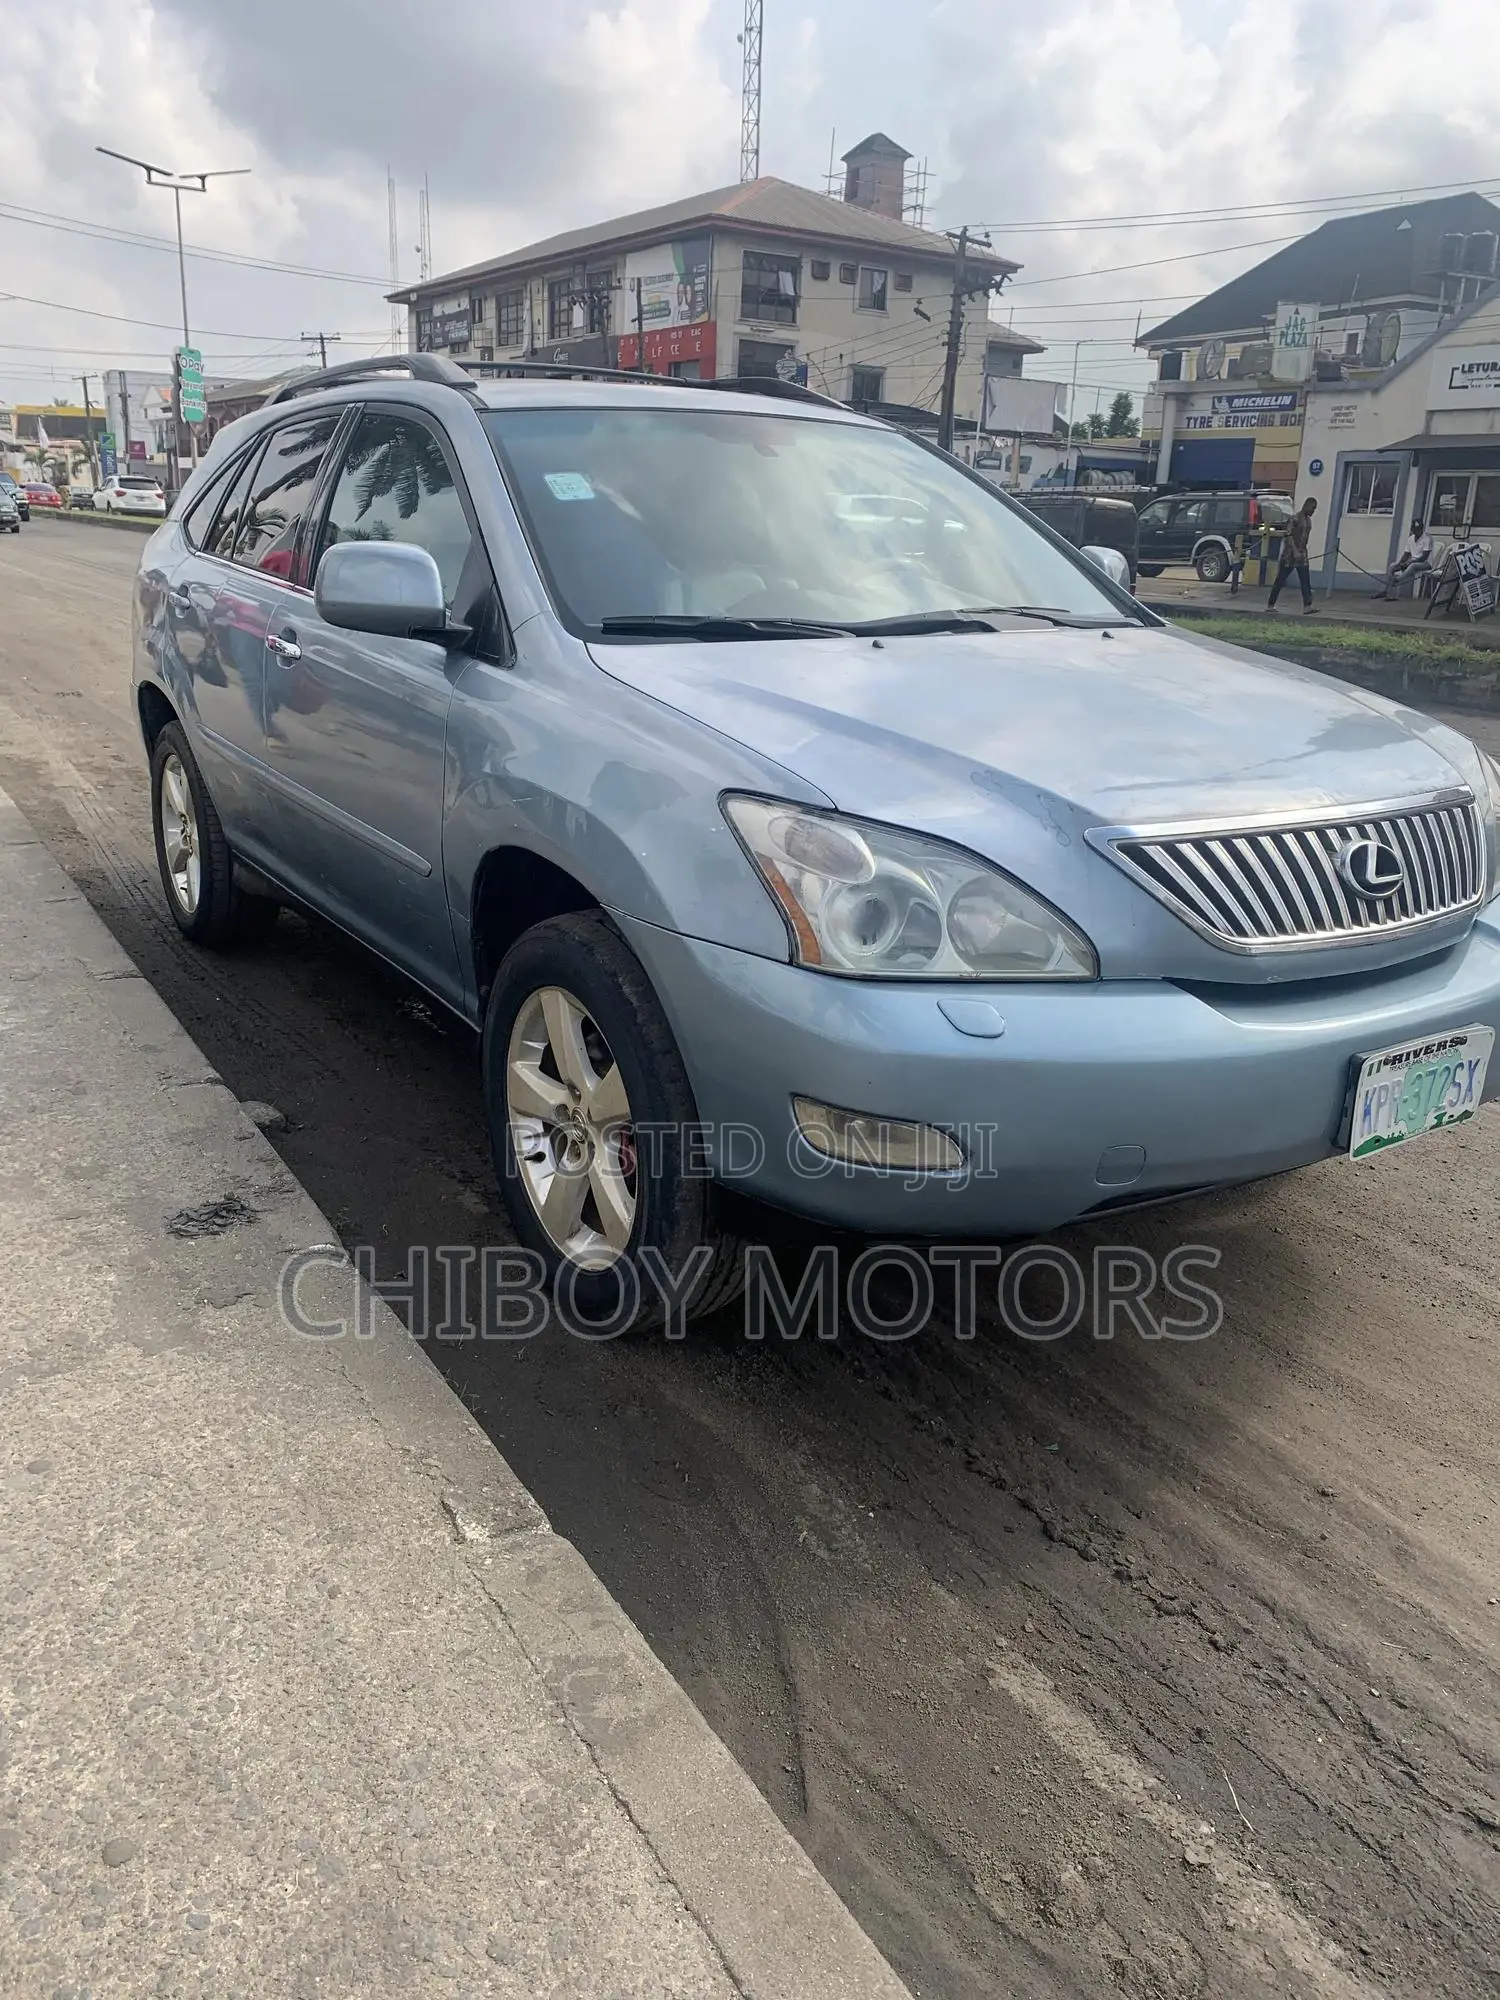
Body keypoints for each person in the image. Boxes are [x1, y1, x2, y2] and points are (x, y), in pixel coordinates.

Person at [1267, 496, 1318, 613]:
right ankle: (1270, 604)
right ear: (1306, 506)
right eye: (1312, 508)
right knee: (1280, 579)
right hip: (1289, 555)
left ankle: (1307, 606)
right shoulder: (1294, 519)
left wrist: (1302, 553)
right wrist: (1294, 551)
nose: (1313, 511)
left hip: (1302, 554)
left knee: (1305, 580)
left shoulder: (1308, 521)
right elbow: (1288, 536)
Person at [1375, 516, 1434, 599]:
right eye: (1415, 530)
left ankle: (1397, 580)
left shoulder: (1428, 538)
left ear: (1422, 529)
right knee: (1392, 566)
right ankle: (1385, 591)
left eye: (1419, 530)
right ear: (1412, 530)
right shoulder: (1410, 539)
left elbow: (1424, 557)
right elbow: (1406, 554)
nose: (1417, 532)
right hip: (1412, 561)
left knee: (1413, 565)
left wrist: (1410, 562)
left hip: (1426, 563)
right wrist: (1400, 563)